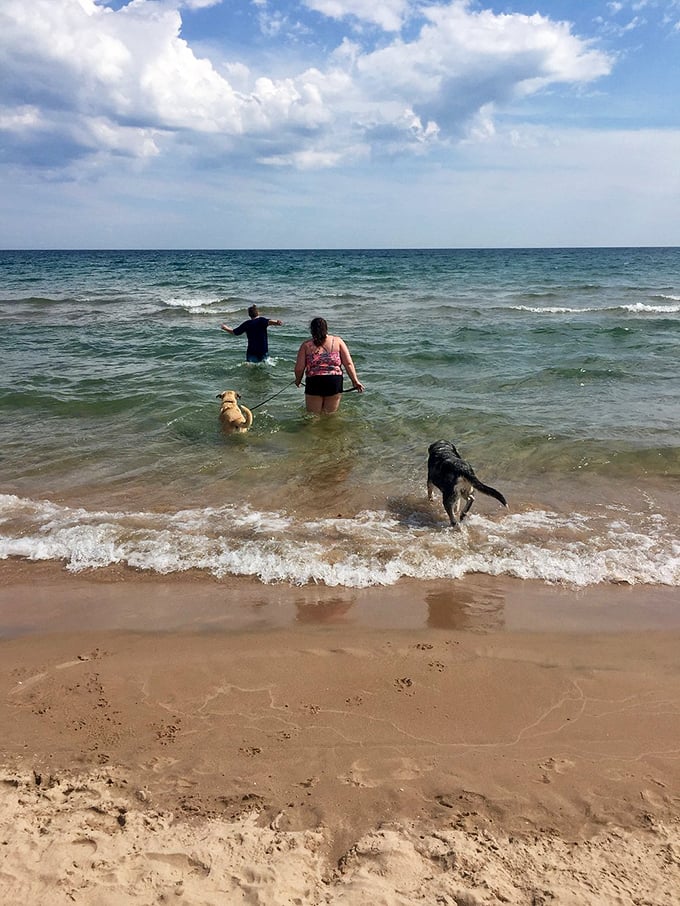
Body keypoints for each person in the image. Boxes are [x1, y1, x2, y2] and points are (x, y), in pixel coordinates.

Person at [294, 317, 364, 414]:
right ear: (326, 328)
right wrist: (355, 381)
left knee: (313, 417)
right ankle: (329, 429)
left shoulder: (306, 345)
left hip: (314, 381)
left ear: (312, 330)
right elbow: (348, 363)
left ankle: (312, 429)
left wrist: (298, 380)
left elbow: (299, 368)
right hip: (334, 381)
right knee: (329, 416)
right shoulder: (338, 341)